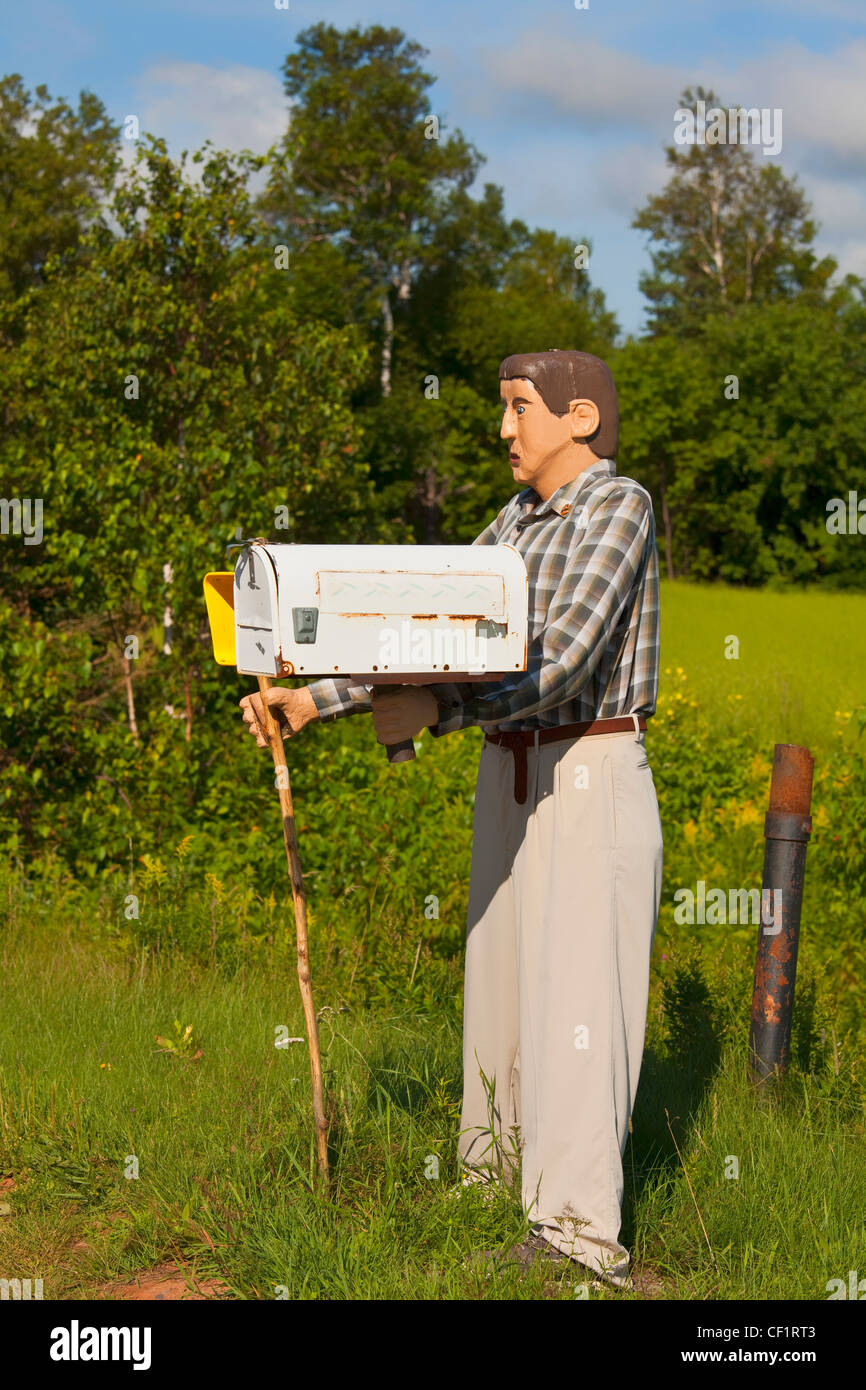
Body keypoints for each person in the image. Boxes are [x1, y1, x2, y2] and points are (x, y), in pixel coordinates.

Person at [239, 348, 663, 1291]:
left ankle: (578, 1240)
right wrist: (318, 698)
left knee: (580, 1006)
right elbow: (425, 625)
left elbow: (568, 660)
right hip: (508, 772)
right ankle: (496, 1196)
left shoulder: (617, 507)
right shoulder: (513, 521)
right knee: (502, 995)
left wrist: (441, 712)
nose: (503, 428)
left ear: (581, 417)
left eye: (519, 408)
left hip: (589, 765)